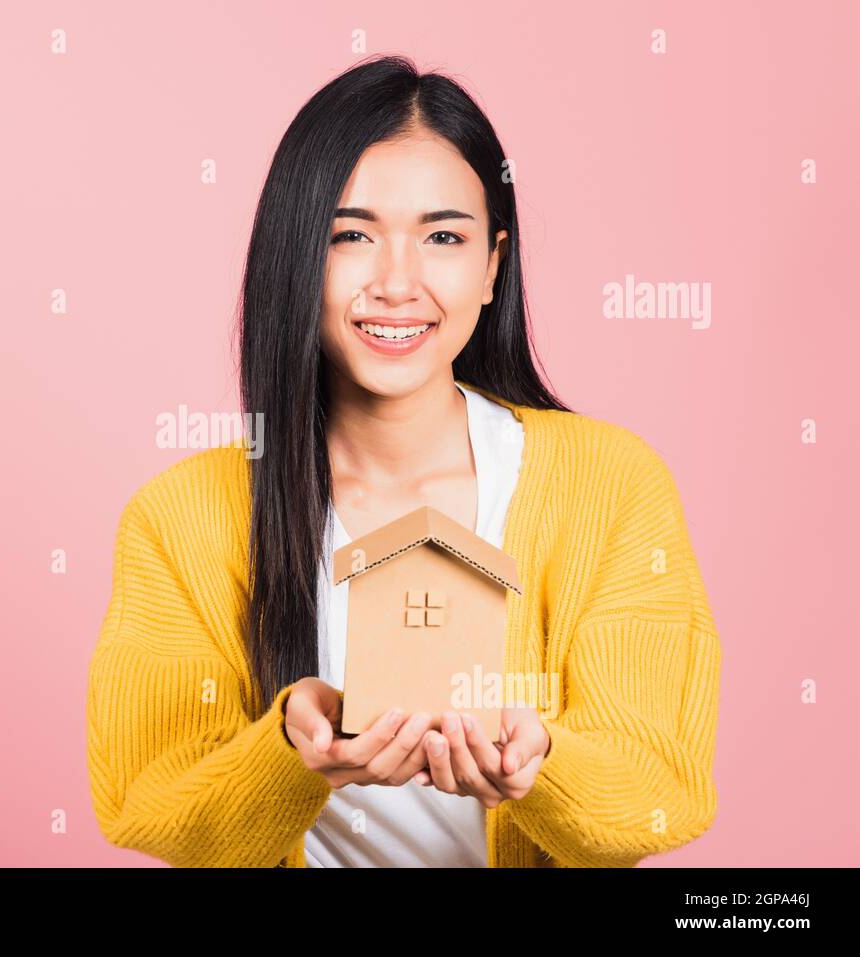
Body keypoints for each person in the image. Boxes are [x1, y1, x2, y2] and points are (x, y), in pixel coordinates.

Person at [85, 55, 721, 868]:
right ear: (294, 260)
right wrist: (288, 750)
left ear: (493, 266)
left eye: (443, 237)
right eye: (350, 235)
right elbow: (153, 803)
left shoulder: (614, 486)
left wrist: (542, 765)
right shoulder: (180, 518)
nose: (396, 282)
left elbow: (658, 790)